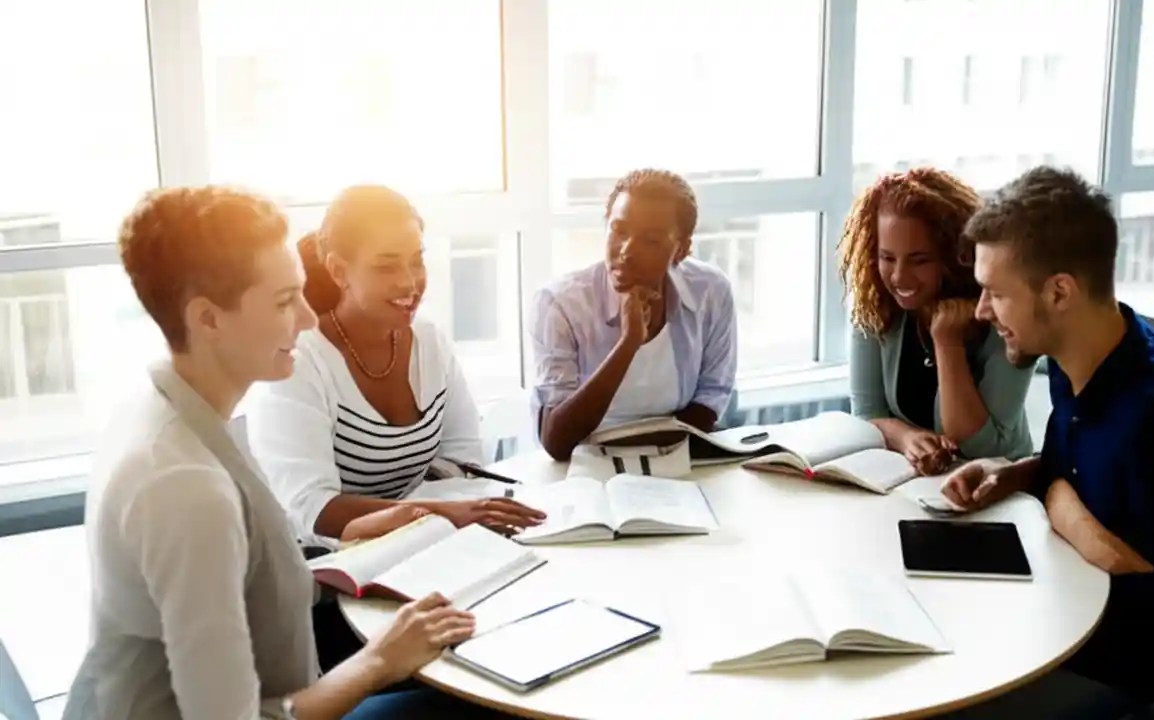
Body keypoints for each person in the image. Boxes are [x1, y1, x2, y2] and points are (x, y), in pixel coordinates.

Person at [63, 187, 486, 719]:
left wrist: (369, 547)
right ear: (208, 319)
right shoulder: (184, 487)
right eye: (286, 301)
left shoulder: (166, 414)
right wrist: (380, 659)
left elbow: (240, 582)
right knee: (479, 701)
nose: (310, 319)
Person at [941, 167, 1154, 719]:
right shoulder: (1076, 358)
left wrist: (1062, 503)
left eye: (996, 293)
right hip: (1096, 630)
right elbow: (1074, 479)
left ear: (1060, 291)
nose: (983, 312)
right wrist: (1010, 474)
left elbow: (1133, 574)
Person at [247, 185, 543, 551]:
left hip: (419, 547)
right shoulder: (298, 362)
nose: (409, 281)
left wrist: (446, 514)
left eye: (416, 260)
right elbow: (313, 511)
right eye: (386, 266)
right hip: (325, 569)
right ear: (339, 270)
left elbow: (464, 461)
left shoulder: (430, 341)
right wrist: (438, 513)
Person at [530, 168, 737, 461]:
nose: (627, 250)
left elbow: (711, 398)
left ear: (682, 250)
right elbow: (557, 441)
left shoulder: (710, 291)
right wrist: (628, 344)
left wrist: (652, 458)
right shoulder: (560, 304)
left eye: (650, 240)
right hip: (584, 467)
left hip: (676, 459)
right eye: (619, 230)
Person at [840, 168, 1033, 475]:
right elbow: (865, 415)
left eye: (919, 260)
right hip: (915, 488)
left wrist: (947, 342)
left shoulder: (1005, 314)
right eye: (887, 258)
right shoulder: (874, 304)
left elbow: (981, 448)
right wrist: (906, 438)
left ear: (956, 255)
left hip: (1000, 490)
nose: (899, 277)